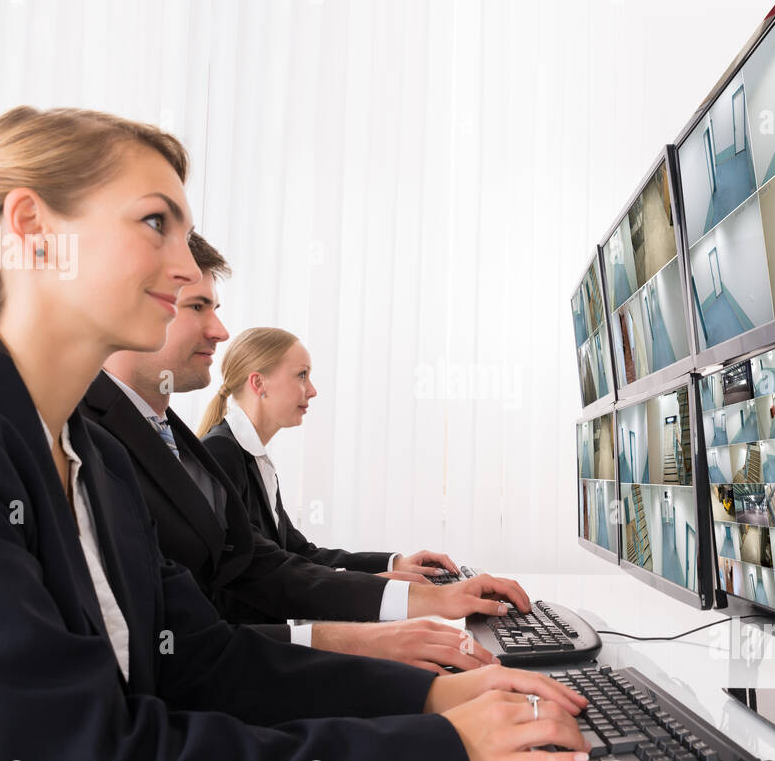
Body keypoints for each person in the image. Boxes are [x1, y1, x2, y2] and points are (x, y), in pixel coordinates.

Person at [0, 106, 588, 761]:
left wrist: (428, 701)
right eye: (157, 223)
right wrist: (440, 753)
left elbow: (203, 661)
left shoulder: (96, 457)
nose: (189, 269)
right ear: (33, 228)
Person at [81, 234, 511, 672]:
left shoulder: (183, 443)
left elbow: (271, 563)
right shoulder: (93, 441)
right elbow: (194, 631)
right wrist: (360, 638)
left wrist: (419, 595)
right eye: (197, 306)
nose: (220, 330)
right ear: (258, 382)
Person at [198, 327, 477, 594]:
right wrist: (372, 586)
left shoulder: (253, 457)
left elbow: (298, 553)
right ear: (258, 383)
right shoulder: (221, 454)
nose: (313, 390)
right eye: (302, 375)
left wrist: (393, 564)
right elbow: (255, 575)